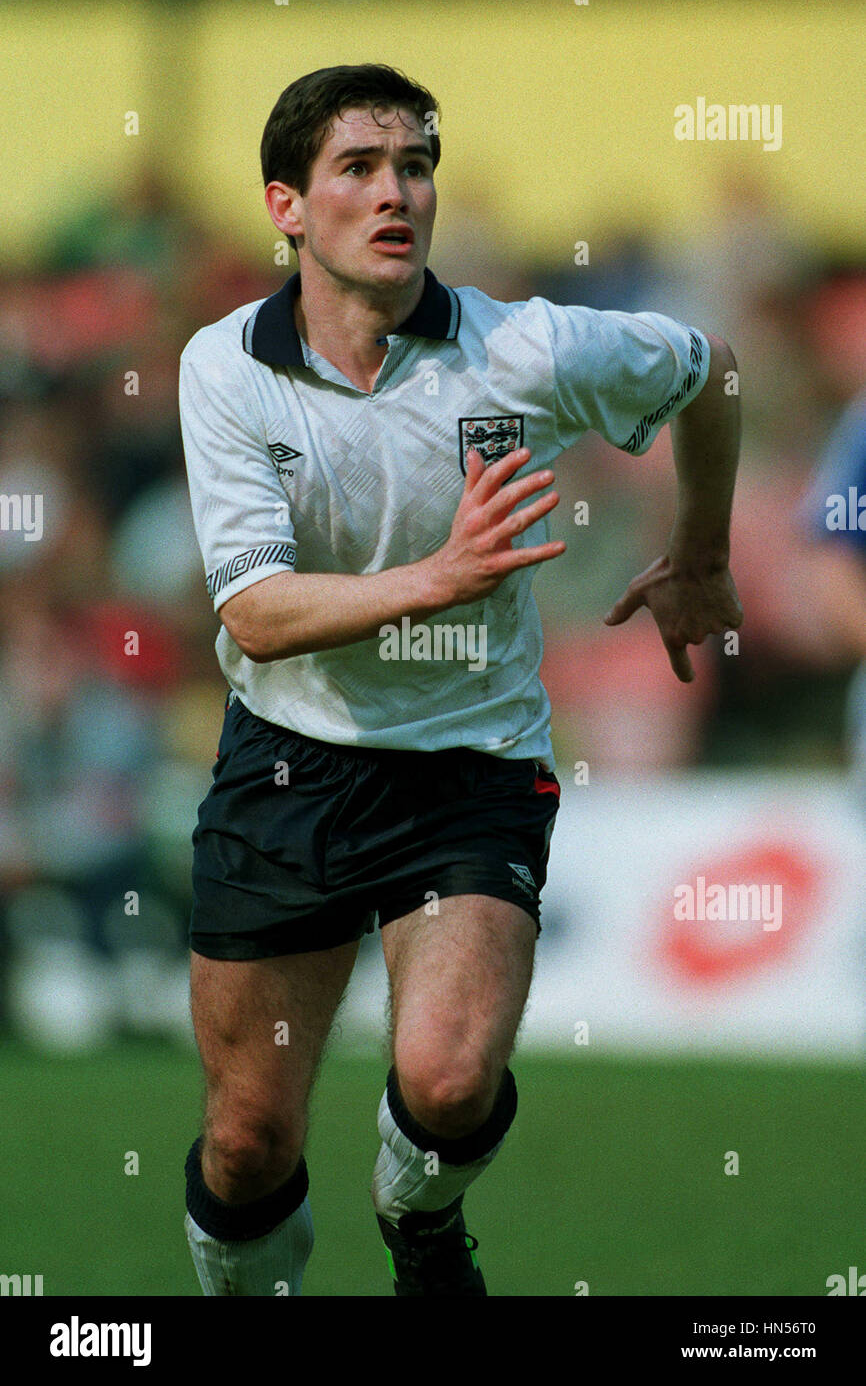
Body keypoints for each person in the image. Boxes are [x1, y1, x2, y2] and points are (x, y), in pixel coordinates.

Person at [178, 63, 743, 1297]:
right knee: (244, 1142)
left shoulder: (524, 348)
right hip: (286, 765)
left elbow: (709, 369)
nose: (396, 193)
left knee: (443, 1082)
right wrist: (437, 578)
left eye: (415, 166)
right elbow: (259, 616)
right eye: (359, 169)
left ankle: (420, 1225)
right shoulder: (224, 367)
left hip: (469, 766)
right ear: (286, 205)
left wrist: (699, 555)